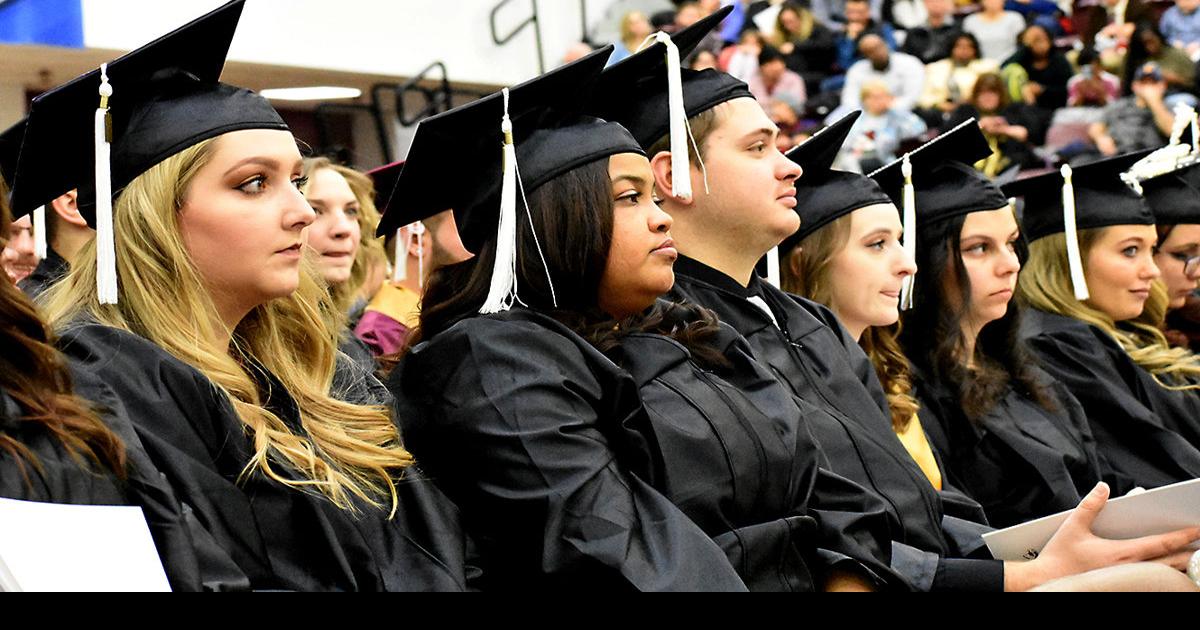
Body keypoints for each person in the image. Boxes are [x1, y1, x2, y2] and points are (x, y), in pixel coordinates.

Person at [389, 37, 906, 593]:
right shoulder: (492, 363)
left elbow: (831, 493)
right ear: (554, 221)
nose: (662, 220)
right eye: (629, 198)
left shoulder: (690, 330)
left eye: (654, 198)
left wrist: (849, 575)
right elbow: (617, 555)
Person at [15, 1, 470, 592]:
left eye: (296, 181)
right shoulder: (95, 388)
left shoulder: (322, 366)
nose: (303, 213)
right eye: (254, 184)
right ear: (156, 217)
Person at [879, 140, 1118, 529]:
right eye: (978, 249)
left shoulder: (1023, 371)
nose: (1010, 265)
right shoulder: (909, 396)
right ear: (922, 260)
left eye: (1010, 244)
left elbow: (1102, 480)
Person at [1006, 152, 1200, 486]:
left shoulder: (1120, 332)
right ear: (1070, 259)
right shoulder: (1056, 344)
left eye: (1151, 249)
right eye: (1130, 251)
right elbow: (1153, 459)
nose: (1151, 271)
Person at [355, 162, 473, 359]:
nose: (470, 228)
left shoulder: (443, 311)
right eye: (457, 219)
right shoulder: (377, 336)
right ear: (415, 241)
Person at [300, 157, 382, 374]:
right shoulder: (263, 348)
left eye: (351, 211)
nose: (343, 228)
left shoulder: (345, 339)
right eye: (316, 210)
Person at [944, 73, 1044, 175]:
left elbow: (1029, 134)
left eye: (992, 93)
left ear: (1000, 95)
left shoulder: (1013, 110)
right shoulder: (965, 111)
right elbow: (948, 138)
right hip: (973, 167)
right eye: (983, 93)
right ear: (976, 95)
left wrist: (1002, 129)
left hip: (1010, 163)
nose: (988, 98)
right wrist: (979, 126)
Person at [837, 80, 928, 172]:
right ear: (865, 100)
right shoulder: (856, 118)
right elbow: (844, 143)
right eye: (876, 97)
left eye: (885, 96)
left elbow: (920, 128)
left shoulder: (898, 115)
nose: (881, 100)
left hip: (888, 160)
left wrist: (897, 115)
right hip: (856, 162)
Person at [1089, 63, 1177, 156]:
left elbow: (1172, 131)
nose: (1148, 87)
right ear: (1134, 86)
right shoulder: (1119, 106)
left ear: (1162, 86)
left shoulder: (1169, 107)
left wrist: (1154, 102)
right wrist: (1101, 138)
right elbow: (1096, 127)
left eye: (1153, 83)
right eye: (1143, 83)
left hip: (1152, 156)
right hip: (1118, 155)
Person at [917, 33, 1001, 125]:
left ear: (975, 49)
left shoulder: (987, 67)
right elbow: (924, 97)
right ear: (951, 48)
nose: (964, 50)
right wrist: (941, 105)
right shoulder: (935, 68)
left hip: (975, 111)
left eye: (969, 46)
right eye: (959, 46)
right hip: (940, 112)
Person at [838, 33, 927, 117]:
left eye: (879, 47)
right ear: (864, 55)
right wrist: (868, 111)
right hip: (866, 115)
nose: (878, 53)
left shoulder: (910, 63)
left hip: (903, 112)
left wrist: (886, 107)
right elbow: (849, 100)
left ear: (886, 45)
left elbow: (913, 96)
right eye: (870, 51)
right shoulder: (857, 70)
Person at [767, 2, 838, 94]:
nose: (788, 26)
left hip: (817, 73)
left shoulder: (817, 30)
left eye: (791, 21)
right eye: (784, 22)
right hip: (791, 75)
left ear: (801, 19)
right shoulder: (785, 35)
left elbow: (826, 45)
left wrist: (796, 47)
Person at [901, 0, 965, 64]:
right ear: (924, 3)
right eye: (931, 1)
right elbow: (906, 57)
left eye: (941, 1)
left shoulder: (958, 29)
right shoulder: (915, 32)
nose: (936, 4)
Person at [749, 45, 807, 112]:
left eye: (780, 62)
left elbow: (799, 103)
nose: (777, 67)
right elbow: (750, 105)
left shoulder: (794, 79)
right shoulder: (753, 81)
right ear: (761, 66)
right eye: (771, 63)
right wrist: (775, 104)